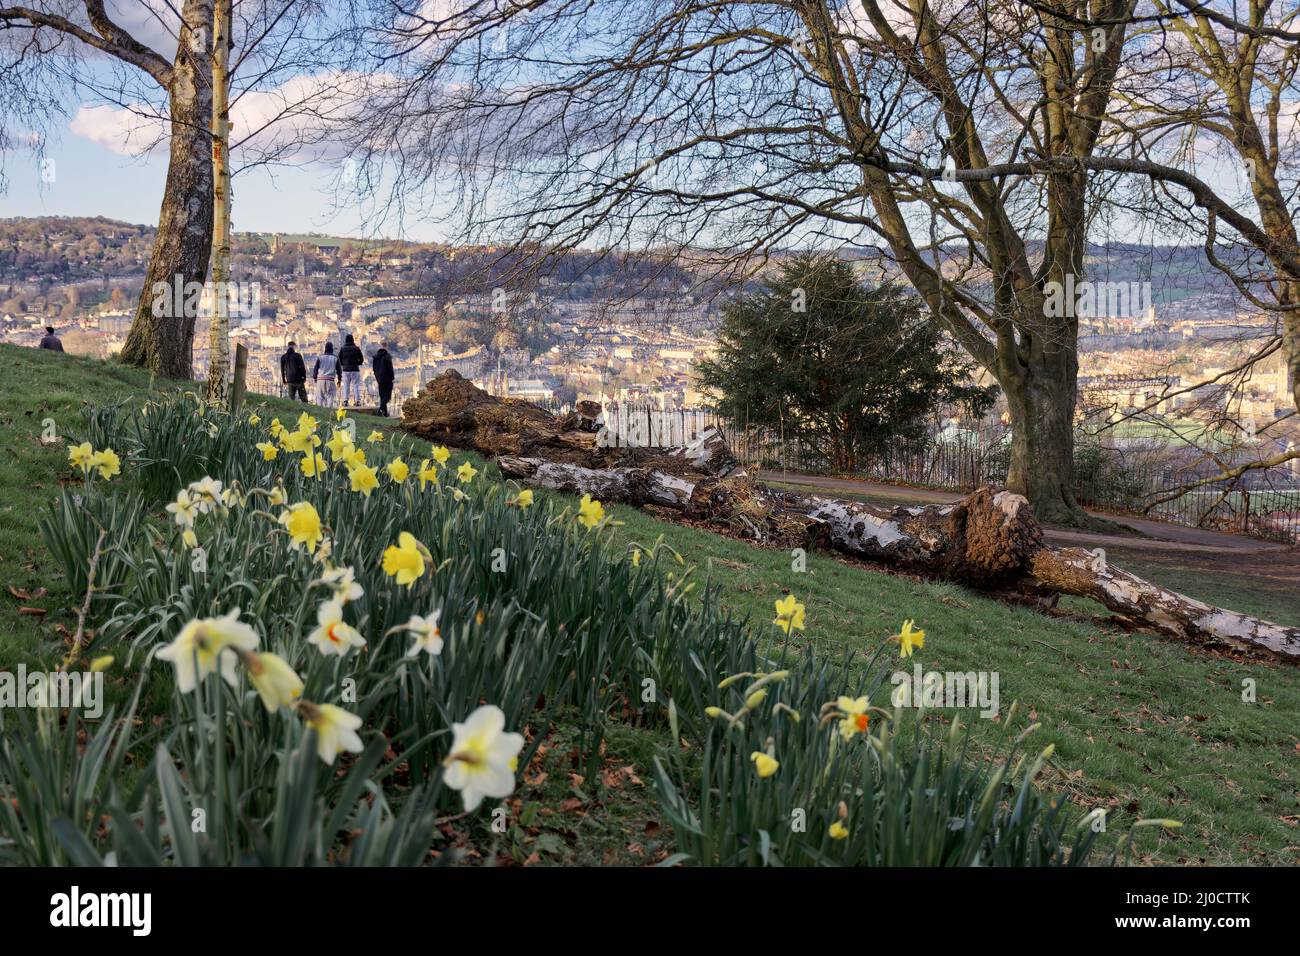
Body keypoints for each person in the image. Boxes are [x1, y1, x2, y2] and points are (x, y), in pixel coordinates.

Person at [338, 333, 365, 407]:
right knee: (356, 385)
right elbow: (362, 359)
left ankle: (345, 401)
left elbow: (339, 359)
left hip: (346, 370)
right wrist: (357, 363)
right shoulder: (357, 348)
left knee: (346, 385)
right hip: (355, 369)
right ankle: (358, 401)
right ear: (353, 340)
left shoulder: (342, 349)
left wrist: (344, 364)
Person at [312, 341, 340, 408]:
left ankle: (320, 414)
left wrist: (315, 378)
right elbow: (339, 371)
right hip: (330, 380)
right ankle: (328, 414)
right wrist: (339, 380)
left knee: (320, 398)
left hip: (320, 380)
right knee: (330, 397)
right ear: (332, 349)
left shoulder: (320, 357)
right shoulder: (335, 358)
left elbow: (315, 369)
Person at [372, 342, 395, 417]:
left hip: (379, 379)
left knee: (382, 396)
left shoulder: (375, 357)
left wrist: (377, 377)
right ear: (386, 348)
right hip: (387, 379)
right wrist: (392, 377)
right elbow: (390, 368)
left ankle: (385, 413)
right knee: (387, 396)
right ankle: (380, 410)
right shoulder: (387, 356)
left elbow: (374, 369)